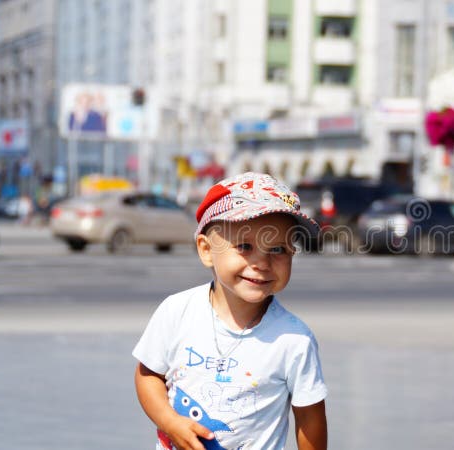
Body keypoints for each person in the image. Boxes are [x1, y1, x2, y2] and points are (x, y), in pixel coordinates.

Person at [133, 172, 328, 450]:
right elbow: (148, 375)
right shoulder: (176, 312)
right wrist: (170, 422)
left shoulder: (294, 340)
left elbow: (310, 418)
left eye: (278, 249)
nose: (262, 262)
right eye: (245, 246)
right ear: (206, 250)